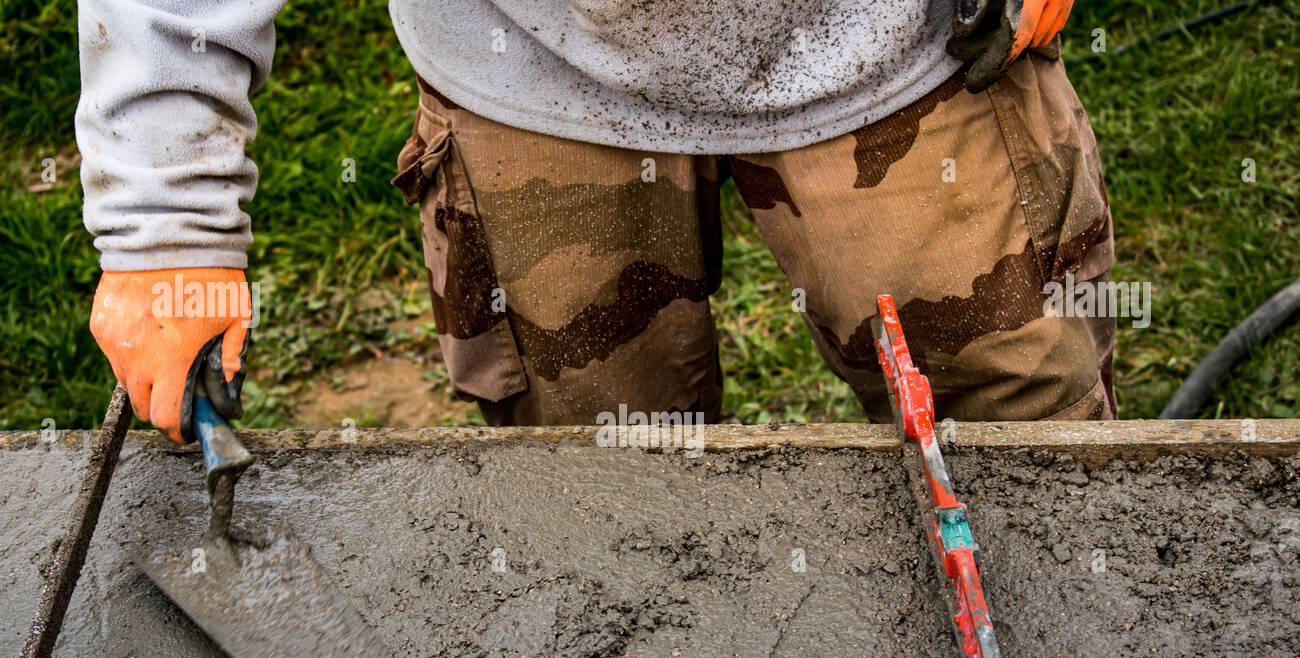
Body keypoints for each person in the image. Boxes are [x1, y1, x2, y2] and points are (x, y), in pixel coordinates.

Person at [79, 0, 1112, 442]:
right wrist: (169, 223)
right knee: (604, 506)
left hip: (891, 46)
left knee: (1030, 465)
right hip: (522, 57)